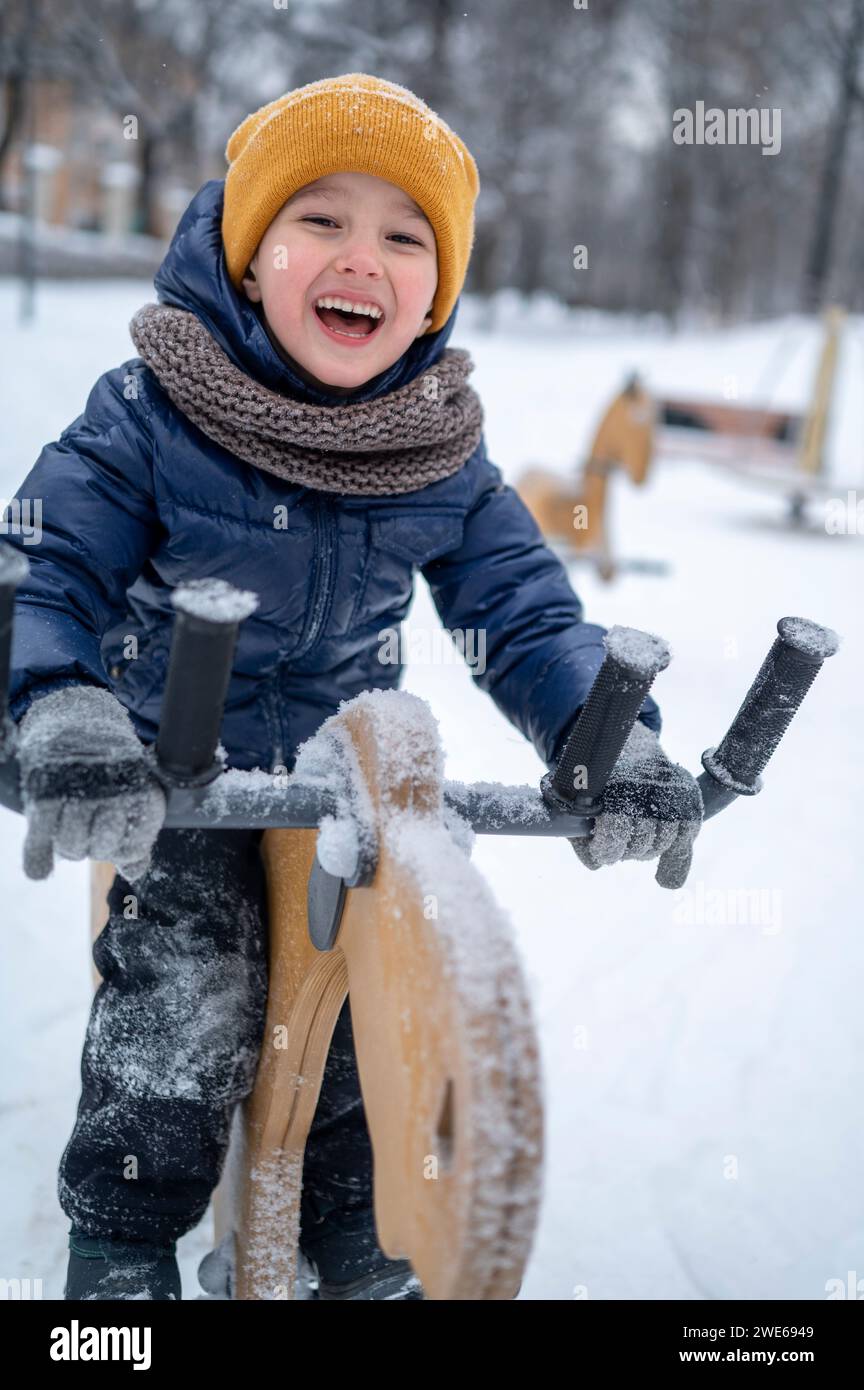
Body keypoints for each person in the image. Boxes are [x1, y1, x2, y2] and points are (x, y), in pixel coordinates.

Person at [3, 73, 702, 1301]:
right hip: (178, 769)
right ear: (249, 246)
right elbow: (45, 562)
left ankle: (356, 1229)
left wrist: (614, 741)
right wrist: (62, 704)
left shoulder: (437, 446)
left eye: (404, 235)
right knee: (194, 972)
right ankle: (121, 1237)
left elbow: (525, 612)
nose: (360, 258)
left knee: (365, 977)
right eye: (319, 219)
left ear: (436, 289)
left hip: (341, 760)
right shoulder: (156, 410)